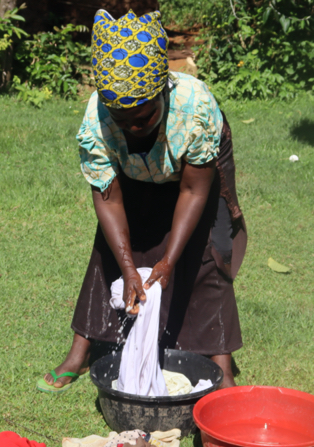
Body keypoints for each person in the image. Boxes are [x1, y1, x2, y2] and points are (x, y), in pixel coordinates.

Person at [37, 9, 248, 393]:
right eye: (122, 118)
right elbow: (109, 200)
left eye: (144, 115)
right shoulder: (97, 123)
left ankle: (223, 367)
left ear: (162, 93)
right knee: (112, 244)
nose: (134, 125)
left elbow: (193, 191)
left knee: (207, 251)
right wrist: (129, 267)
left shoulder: (193, 111)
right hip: (135, 168)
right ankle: (80, 353)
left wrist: (168, 261)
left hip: (192, 167)